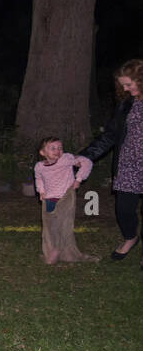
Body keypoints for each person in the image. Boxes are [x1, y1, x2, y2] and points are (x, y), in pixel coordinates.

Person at [81, 58, 143, 264]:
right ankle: (131, 237)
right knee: (124, 209)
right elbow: (110, 135)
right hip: (128, 165)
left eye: (129, 84)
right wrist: (86, 155)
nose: (125, 89)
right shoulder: (126, 104)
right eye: (122, 85)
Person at [35, 137, 96, 265]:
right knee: (50, 226)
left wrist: (78, 179)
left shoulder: (66, 159)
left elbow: (86, 162)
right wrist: (41, 191)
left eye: (60, 148)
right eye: (53, 148)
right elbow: (39, 178)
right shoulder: (39, 166)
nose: (58, 151)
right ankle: (53, 249)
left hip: (65, 198)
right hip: (49, 200)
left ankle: (60, 251)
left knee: (63, 225)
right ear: (42, 152)